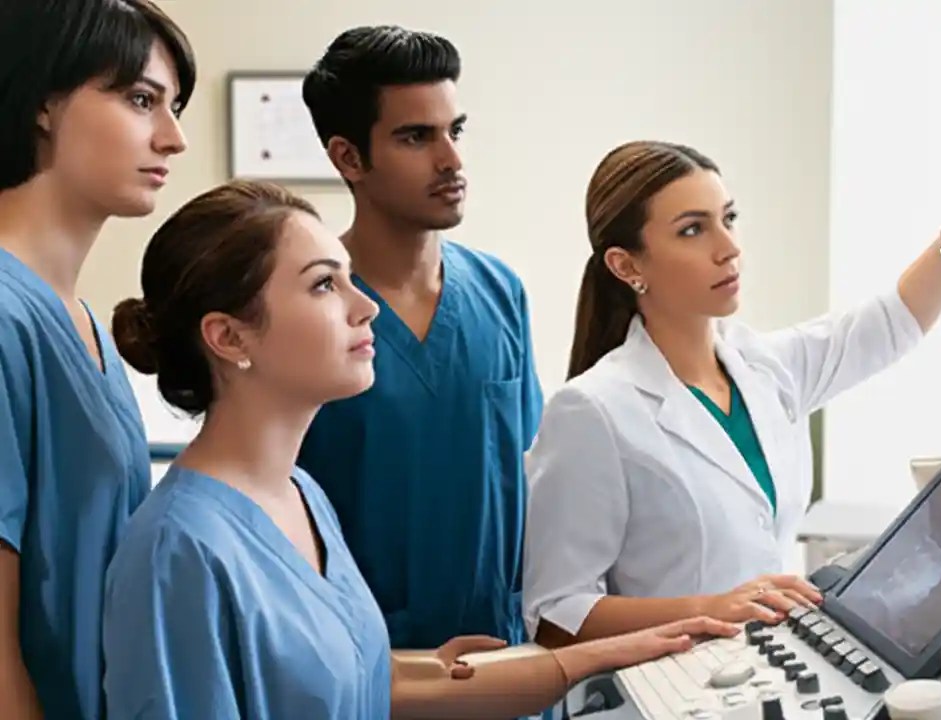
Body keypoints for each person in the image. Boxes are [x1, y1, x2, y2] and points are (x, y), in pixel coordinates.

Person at [101, 180, 738, 719]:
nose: (365, 308)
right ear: (229, 335)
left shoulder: (302, 497)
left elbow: (374, 683)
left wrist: (617, 651)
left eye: (351, 280)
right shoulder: (178, 549)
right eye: (325, 286)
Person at [522, 140, 941, 645]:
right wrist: (708, 609)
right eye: (693, 229)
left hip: (762, 673)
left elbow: (889, 325)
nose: (728, 247)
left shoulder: (763, 367)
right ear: (627, 266)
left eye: (727, 219)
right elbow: (557, 615)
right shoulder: (592, 410)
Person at [295, 25, 542, 652]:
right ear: (349, 157)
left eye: (454, 132)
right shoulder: (305, 304)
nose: (452, 161)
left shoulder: (500, 292)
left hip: (504, 662)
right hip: (363, 667)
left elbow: (536, 475)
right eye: (416, 137)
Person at [0, 1, 195, 717]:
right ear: (47, 101)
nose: (173, 139)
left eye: (173, 107)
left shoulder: (79, 323)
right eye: (142, 100)